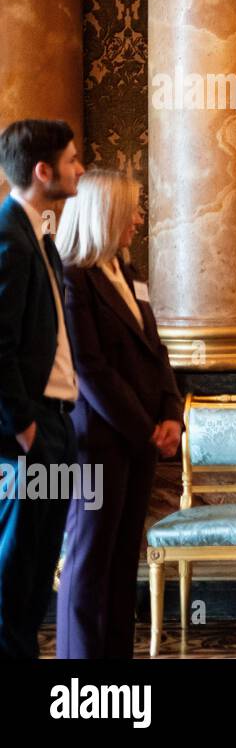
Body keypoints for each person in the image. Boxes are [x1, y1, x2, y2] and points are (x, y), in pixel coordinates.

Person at [55, 170, 183, 658]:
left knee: (121, 566)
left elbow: (156, 350)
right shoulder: (72, 277)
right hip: (96, 445)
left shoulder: (127, 273)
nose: (139, 218)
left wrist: (171, 412)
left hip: (138, 442)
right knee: (88, 568)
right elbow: (89, 368)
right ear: (105, 214)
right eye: (132, 208)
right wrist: (145, 427)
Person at [0, 119, 84, 658]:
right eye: (73, 160)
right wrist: (25, 426)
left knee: (38, 566)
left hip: (54, 424)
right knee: (17, 569)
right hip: (29, 433)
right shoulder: (8, 234)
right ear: (43, 170)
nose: (80, 169)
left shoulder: (40, 235)